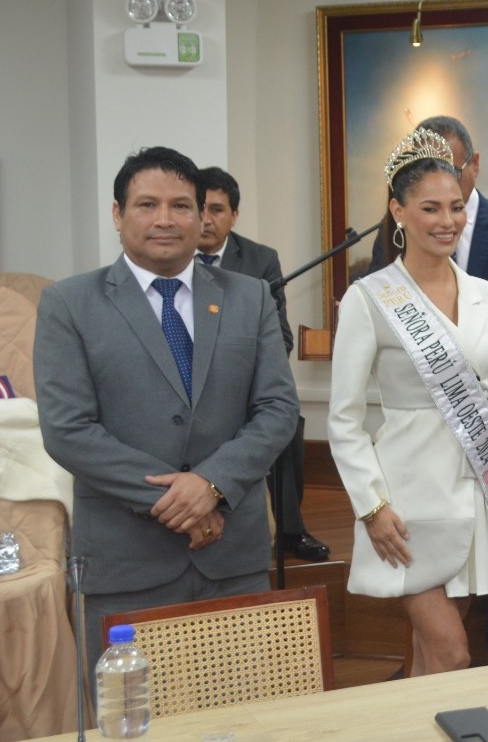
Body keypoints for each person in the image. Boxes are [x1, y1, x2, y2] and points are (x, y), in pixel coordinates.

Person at [35, 146, 299, 672]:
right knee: (132, 721)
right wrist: (180, 501)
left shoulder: (251, 297)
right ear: (117, 214)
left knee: (241, 713)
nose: (164, 219)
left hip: (233, 558)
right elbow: (68, 430)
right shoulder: (69, 304)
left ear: (203, 216)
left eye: (181, 205)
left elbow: (277, 408)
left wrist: (212, 486)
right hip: (126, 564)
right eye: (146, 204)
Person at [328, 127, 488, 674]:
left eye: (456, 207)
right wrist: (371, 506)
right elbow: (344, 419)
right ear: (398, 211)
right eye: (430, 208)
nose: (447, 221)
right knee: (451, 650)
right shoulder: (370, 299)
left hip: (476, 497)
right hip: (406, 503)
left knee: (429, 656)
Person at [368, 116, 488, 663]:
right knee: (445, 646)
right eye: (429, 201)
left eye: (453, 177)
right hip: (415, 465)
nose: (444, 210)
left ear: (473, 167)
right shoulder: (387, 261)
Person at [196, 165, 329, 563]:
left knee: (283, 422)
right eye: (199, 207)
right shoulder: (173, 257)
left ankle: (290, 529)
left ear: (234, 215)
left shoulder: (259, 260)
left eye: (217, 209)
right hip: (187, 385)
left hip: (242, 380)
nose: (205, 219)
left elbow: (281, 337)